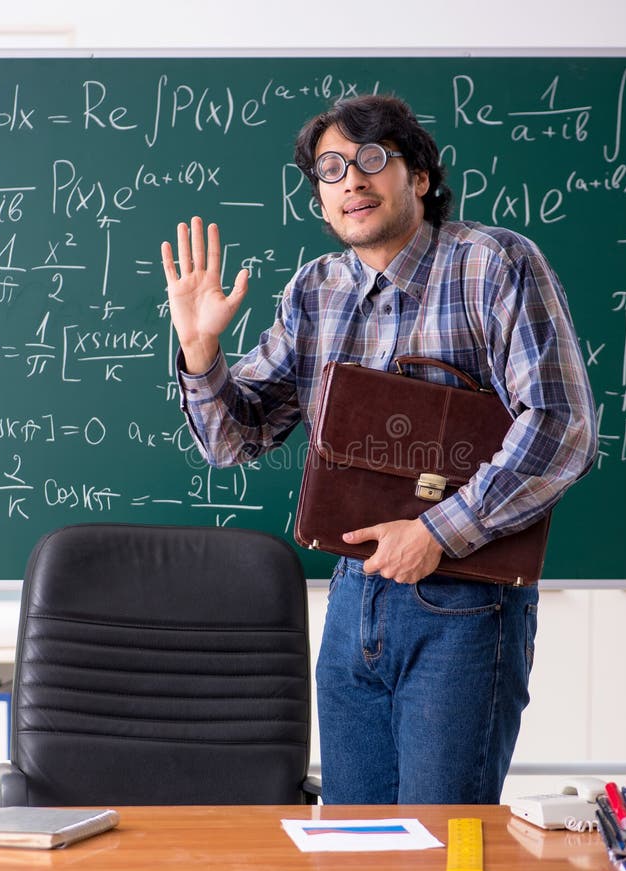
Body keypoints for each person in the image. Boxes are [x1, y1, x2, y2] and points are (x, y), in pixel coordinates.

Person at [161, 94, 597, 805]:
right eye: (331, 169)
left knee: (436, 844)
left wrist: (437, 531)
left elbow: (560, 425)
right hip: (352, 596)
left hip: (465, 603)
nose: (351, 180)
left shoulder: (494, 263)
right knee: (353, 845)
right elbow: (236, 438)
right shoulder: (314, 290)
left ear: (419, 177)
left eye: (372, 159)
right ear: (322, 203)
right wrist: (201, 350)